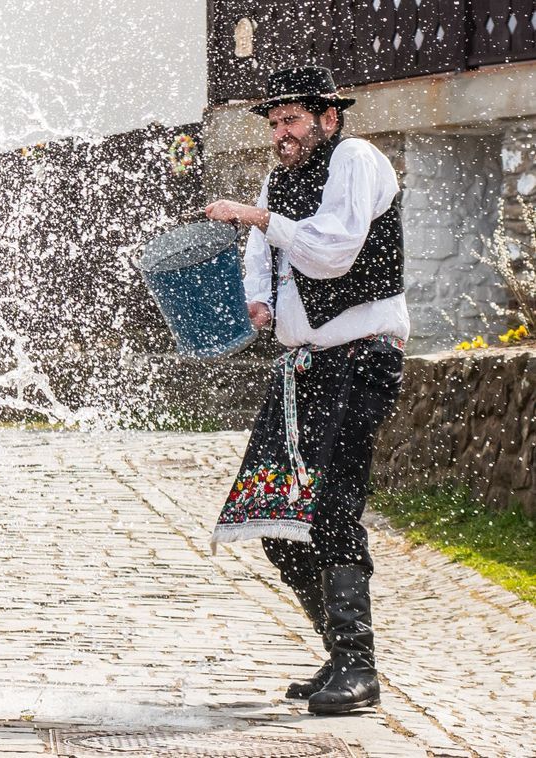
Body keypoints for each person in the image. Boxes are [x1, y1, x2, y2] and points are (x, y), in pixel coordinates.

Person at [204, 66, 407, 716]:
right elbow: (259, 254)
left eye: (290, 120)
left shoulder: (355, 159)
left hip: (363, 361)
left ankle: (358, 667)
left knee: (333, 509)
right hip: (302, 368)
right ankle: (340, 655)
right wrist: (258, 299)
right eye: (272, 122)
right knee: (274, 520)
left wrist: (261, 217)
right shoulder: (278, 178)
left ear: (327, 117)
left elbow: (333, 253)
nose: (279, 134)